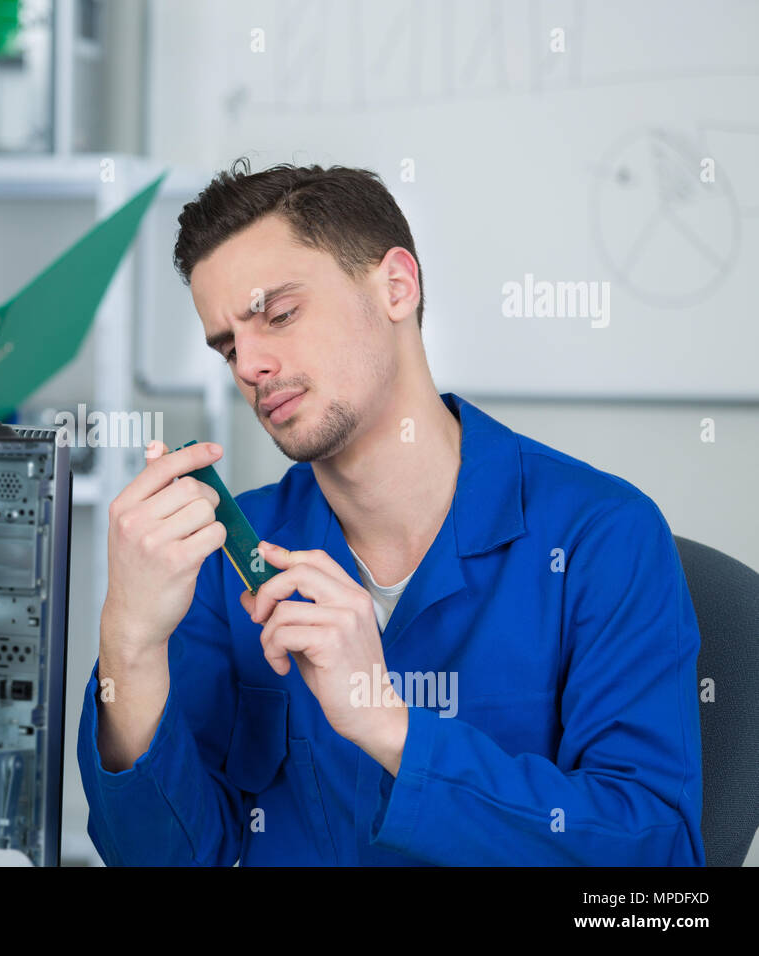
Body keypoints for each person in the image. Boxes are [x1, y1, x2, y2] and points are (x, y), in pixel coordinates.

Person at [78, 160, 706, 866]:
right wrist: (128, 641)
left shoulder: (602, 539)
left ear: (396, 287)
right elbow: (163, 857)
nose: (250, 364)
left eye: (279, 314)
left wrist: (389, 723)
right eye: (228, 347)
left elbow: (658, 863)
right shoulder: (223, 558)